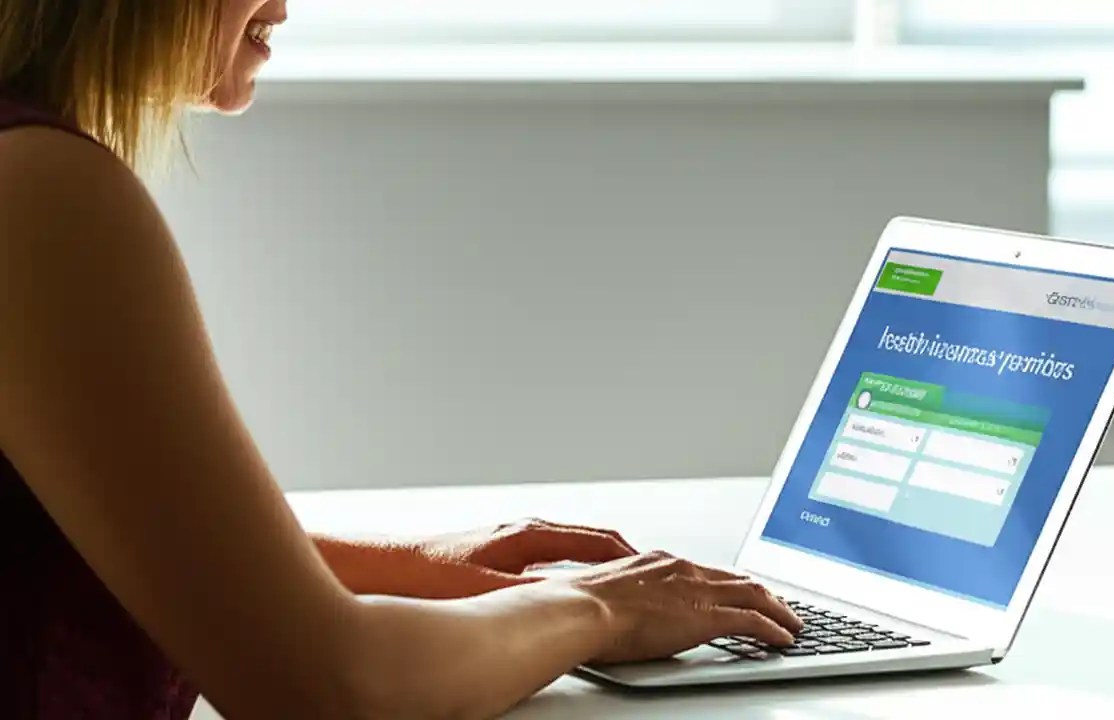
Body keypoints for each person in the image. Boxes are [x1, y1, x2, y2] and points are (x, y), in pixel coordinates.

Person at [0, 0, 803, 717]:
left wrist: (405, 570)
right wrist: (599, 611)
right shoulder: (40, 195)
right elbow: (330, 684)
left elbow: (79, 545)